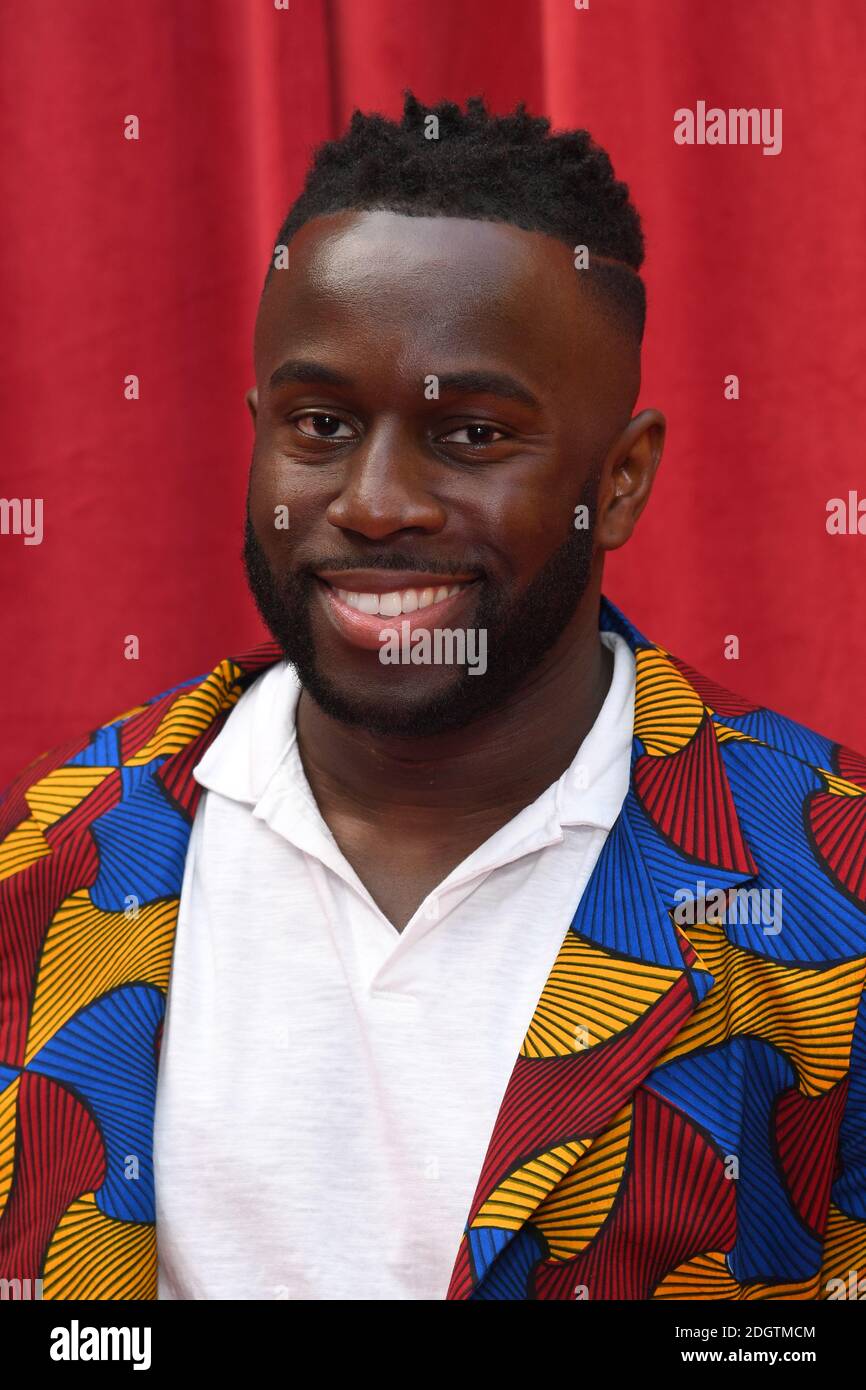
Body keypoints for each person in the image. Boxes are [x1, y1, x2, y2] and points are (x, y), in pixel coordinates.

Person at [1, 91, 864, 1303]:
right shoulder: (59, 855)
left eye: (466, 433)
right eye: (320, 423)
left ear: (617, 482)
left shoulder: (830, 889)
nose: (374, 500)